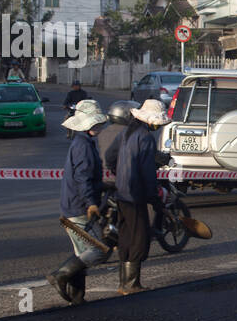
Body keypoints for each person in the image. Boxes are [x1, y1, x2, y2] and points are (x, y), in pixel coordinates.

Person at [47, 99, 109, 305]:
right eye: (96, 123)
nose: (99, 127)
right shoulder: (82, 145)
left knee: (81, 253)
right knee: (97, 250)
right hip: (78, 207)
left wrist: (103, 188)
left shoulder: (84, 142)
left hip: (73, 205)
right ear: (88, 124)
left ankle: (76, 297)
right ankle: (60, 275)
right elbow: (83, 177)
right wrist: (91, 202)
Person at [115, 99, 170, 294]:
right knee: (140, 238)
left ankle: (123, 283)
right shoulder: (145, 138)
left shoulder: (127, 133)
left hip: (121, 192)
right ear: (151, 121)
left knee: (126, 236)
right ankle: (132, 284)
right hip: (134, 194)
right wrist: (154, 199)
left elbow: (113, 158)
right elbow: (147, 173)